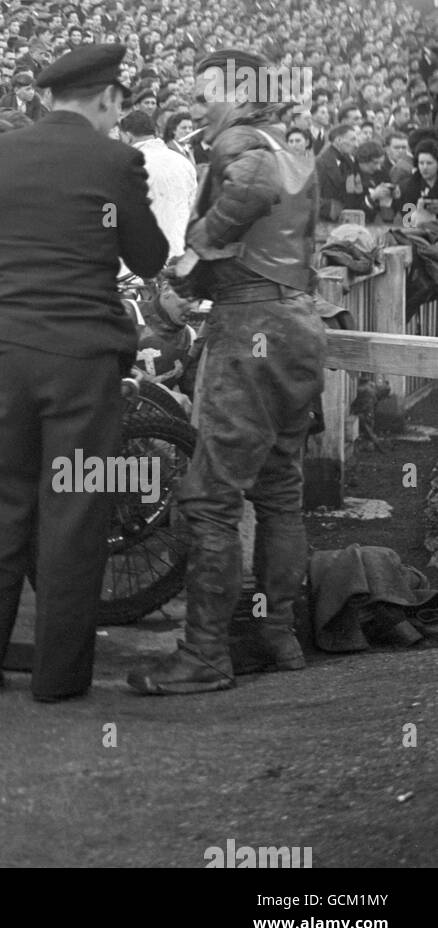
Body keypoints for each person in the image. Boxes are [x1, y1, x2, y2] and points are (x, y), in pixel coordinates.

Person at [0, 43, 168, 702]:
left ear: (47, 96)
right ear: (105, 99)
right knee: (72, 516)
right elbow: (148, 259)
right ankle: (58, 680)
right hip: (83, 367)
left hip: (1, 360)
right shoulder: (117, 159)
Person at [128, 47, 326, 696]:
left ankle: (206, 655)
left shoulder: (242, 144)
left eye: (206, 91)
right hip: (296, 325)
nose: (194, 104)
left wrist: (192, 258)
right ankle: (278, 637)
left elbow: (253, 188)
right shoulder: (289, 144)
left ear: (241, 91)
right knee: (278, 492)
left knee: (210, 501)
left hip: (252, 332)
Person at [118, 109, 197, 262]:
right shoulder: (183, 162)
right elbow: (193, 208)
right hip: (181, 251)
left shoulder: (127, 166)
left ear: (128, 136)